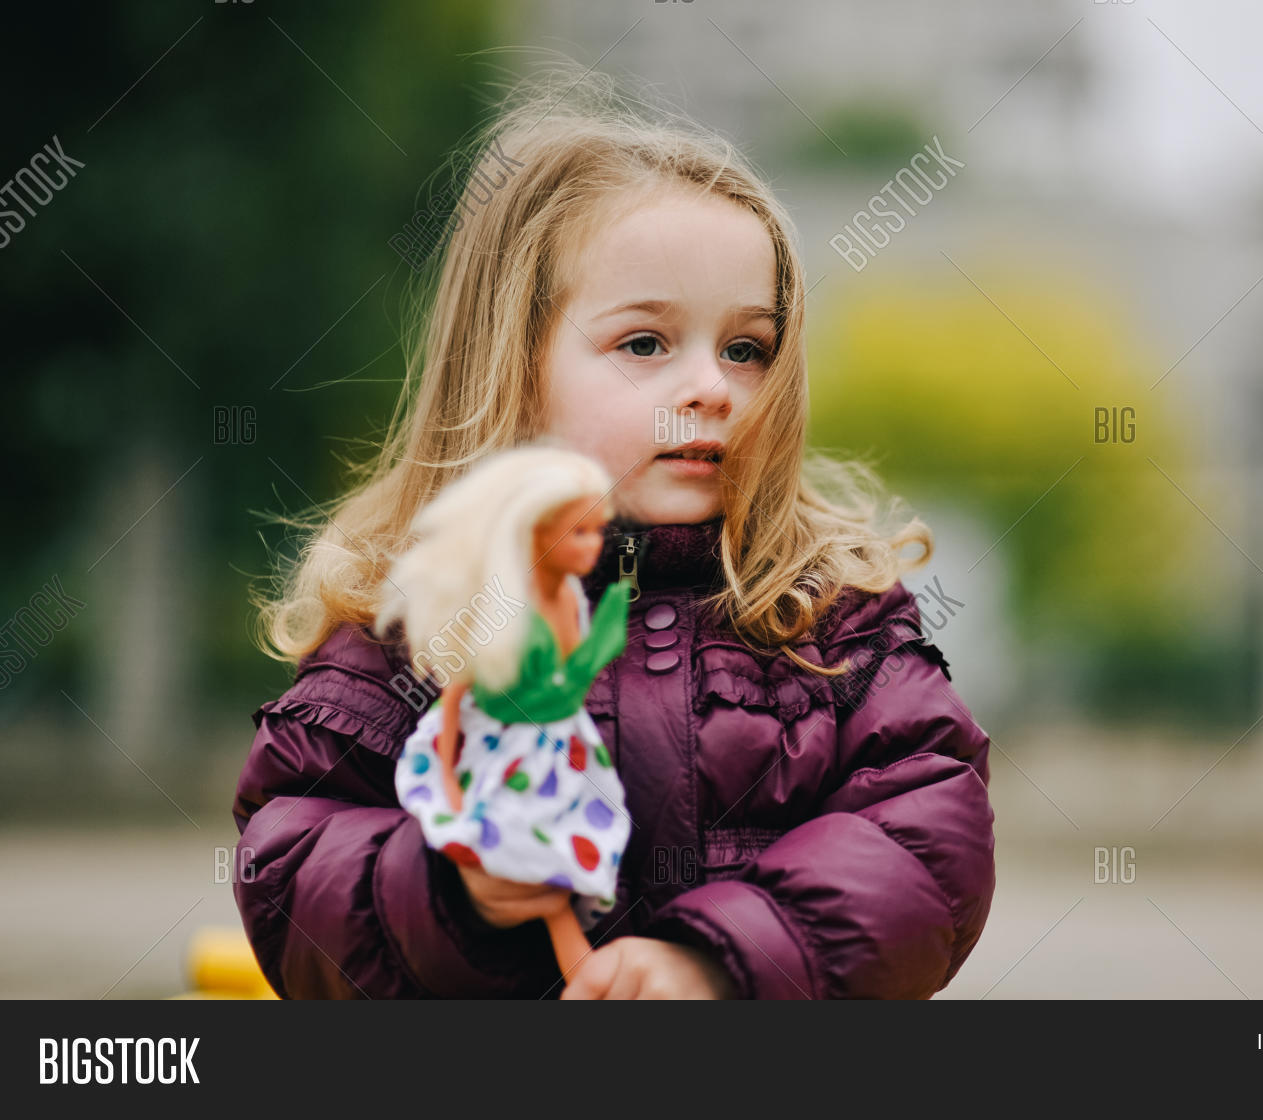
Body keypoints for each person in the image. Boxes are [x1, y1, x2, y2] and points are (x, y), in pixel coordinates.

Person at [233, 69, 995, 999]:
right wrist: (452, 889)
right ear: (513, 367)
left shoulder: (832, 612)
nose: (711, 388)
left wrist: (718, 960)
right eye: (645, 343)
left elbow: (925, 842)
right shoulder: (420, 611)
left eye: (747, 349)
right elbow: (289, 860)